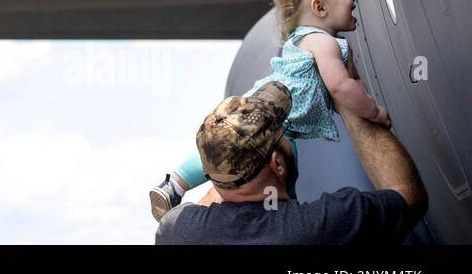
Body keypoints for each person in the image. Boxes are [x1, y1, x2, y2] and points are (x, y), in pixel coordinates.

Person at [149, 0, 388, 221]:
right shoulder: (323, 42)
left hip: (279, 121)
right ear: (319, 7)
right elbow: (341, 86)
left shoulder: (303, 37)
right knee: (247, 156)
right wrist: (373, 111)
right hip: (270, 114)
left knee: (234, 154)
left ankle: (174, 185)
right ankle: (284, 216)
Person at [154, 80, 427, 244]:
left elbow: (217, 203)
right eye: (284, 132)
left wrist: (229, 163)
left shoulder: (176, 232)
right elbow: (409, 196)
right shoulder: (329, 223)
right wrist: (347, 101)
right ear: (278, 164)